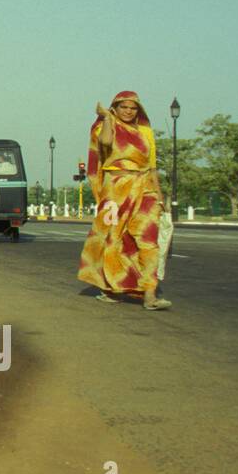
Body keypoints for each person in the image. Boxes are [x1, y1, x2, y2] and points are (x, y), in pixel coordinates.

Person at [77, 91, 172, 310]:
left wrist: (159, 195)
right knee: (113, 237)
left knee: (149, 240)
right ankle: (114, 286)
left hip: (145, 185)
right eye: (123, 107)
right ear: (115, 108)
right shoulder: (105, 126)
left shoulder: (146, 132)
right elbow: (106, 141)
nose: (128, 111)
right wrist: (108, 118)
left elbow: (152, 165)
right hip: (116, 187)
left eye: (133, 108)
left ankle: (150, 294)